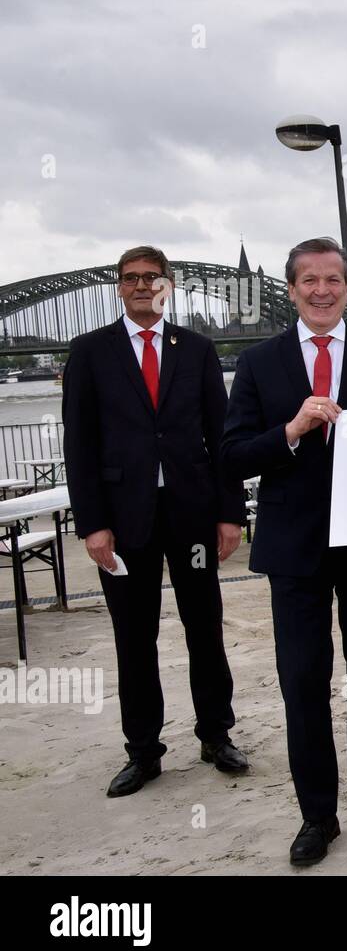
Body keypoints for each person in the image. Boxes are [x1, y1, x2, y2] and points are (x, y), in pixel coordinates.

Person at [221, 237, 347, 866]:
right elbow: (231, 456)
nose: (322, 290)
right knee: (303, 681)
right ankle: (317, 814)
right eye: (309, 280)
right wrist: (292, 430)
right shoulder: (258, 363)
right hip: (293, 545)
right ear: (291, 289)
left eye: (333, 279)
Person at [62, 245, 248, 798]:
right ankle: (143, 751)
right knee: (133, 637)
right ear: (119, 287)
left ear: (167, 286)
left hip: (191, 513)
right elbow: (80, 445)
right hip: (123, 520)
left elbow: (223, 439)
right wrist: (92, 524)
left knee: (204, 628)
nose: (142, 286)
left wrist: (229, 513)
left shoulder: (196, 349)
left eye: (152, 278)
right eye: (131, 279)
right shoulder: (90, 352)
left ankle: (217, 734)